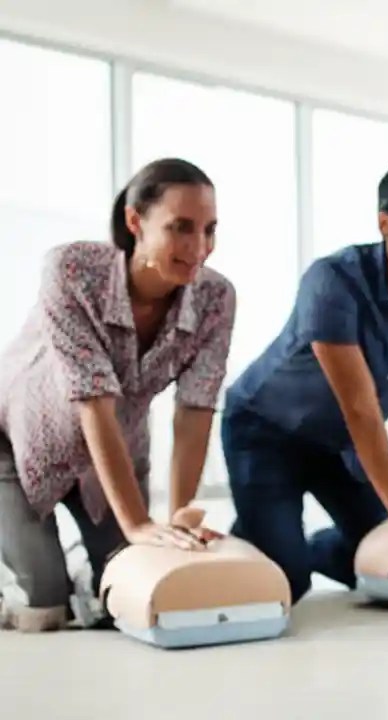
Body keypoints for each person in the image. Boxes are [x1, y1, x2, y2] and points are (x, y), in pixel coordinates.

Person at [223, 154, 388, 604]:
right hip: (265, 431)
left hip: (339, 446)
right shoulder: (332, 280)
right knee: (286, 582)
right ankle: (262, 536)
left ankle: (284, 538)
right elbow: (361, 407)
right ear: (386, 223)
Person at [0, 158, 233, 632]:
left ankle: (80, 566)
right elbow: (93, 401)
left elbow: (195, 410)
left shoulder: (216, 298)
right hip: (17, 446)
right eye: (181, 228)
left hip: (112, 459)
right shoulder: (71, 269)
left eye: (209, 229)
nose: (199, 247)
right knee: (44, 609)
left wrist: (179, 520)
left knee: (126, 595)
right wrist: (138, 526)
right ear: (135, 222)